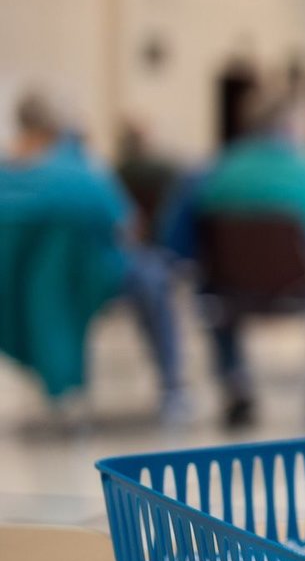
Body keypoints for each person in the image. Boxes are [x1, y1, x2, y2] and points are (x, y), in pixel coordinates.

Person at [164, 80, 305, 428]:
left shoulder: (209, 172)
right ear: (293, 127)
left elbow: (175, 244)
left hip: (226, 293)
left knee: (209, 284)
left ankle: (235, 382)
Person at [0, 91, 188, 422]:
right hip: (95, 274)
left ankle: (59, 388)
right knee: (155, 274)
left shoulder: (8, 174)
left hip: (25, 286)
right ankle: (172, 386)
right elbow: (127, 225)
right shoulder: (78, 171)